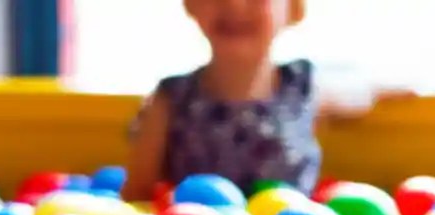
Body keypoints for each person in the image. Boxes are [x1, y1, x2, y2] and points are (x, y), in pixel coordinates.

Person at [123, 0, 412, 202]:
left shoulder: (303, 88)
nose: (235, 4)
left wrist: (393, 89)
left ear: (294, 8)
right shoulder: (171, 99)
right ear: (190, 3)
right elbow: (138, 193)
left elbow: (356, 93)